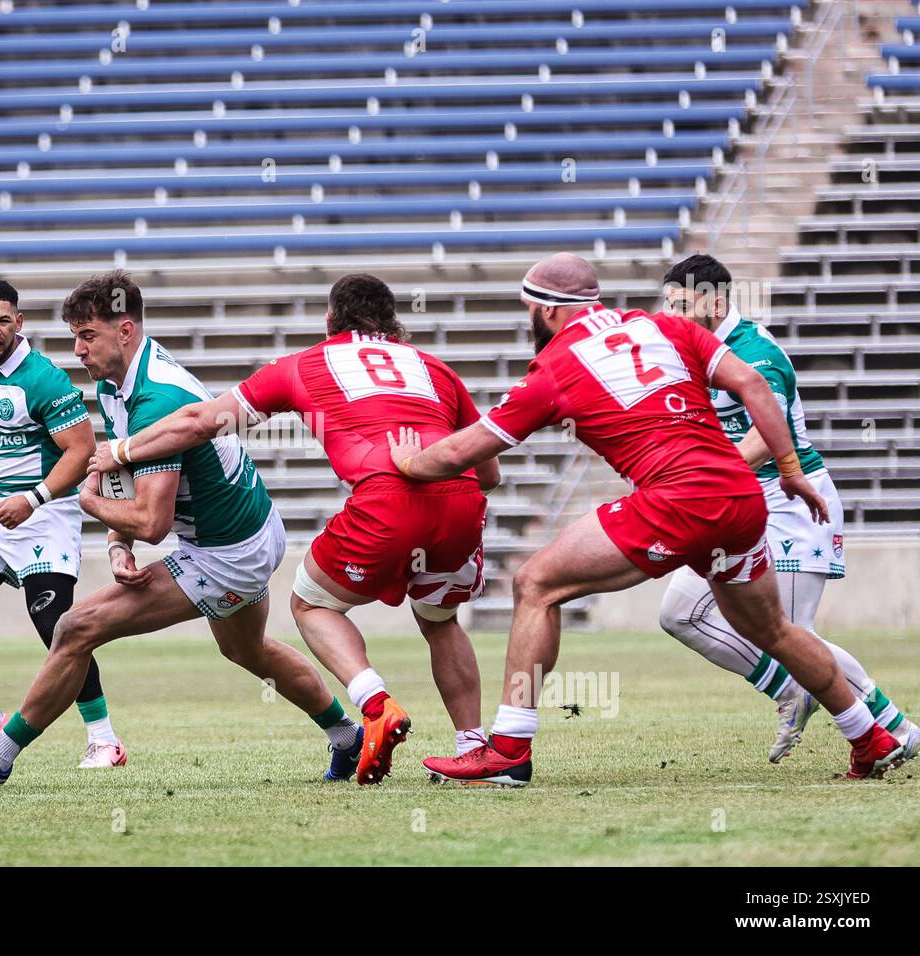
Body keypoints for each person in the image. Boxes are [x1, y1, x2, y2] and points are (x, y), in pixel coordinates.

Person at [386, 252, 904, 786]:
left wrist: (405, 461)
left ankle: (510, 750)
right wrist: (790, 469)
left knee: (535, 584)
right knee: (774, 630)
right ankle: (871, 738)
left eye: (526, 309)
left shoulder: (556, 368)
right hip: (742, 496)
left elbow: (458, 455)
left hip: (678, 499)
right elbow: (752, 385)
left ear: (545, 311)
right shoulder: (661, 327)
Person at [0, 270, 361, 785]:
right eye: (74, 337)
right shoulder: (119, 383)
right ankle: (348, 737)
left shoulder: (155, 397)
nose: (78, 350)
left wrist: (89, 503)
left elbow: (152, 521)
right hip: (248, 529)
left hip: (225, 550)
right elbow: (130, 481)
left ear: (125, 331)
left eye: (87, 336)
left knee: (74, 627)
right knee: (247, 649)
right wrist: (117, 543)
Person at [81, 272, 497, 784]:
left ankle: (375, 703)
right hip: (460, 500)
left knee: (312, 603)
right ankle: (475, 748)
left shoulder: (305, 364)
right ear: (395, 326)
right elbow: (490, 471)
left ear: (329, 322)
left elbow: (201, 423)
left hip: (385, 498)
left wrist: (120, 450)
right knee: (440, 623)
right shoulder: (434, 368)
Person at [657, 254, 917, 763]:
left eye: (681, 305)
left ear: (715, 300)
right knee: (679, 613)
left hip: (790, 502)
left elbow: (761, 438)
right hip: (736, 502)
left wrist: (701, 480)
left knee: (794, 636)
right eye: (666, 305)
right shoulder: (688, 350)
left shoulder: (755, 352)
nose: (672, 316)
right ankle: (790, 689)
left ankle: (898, 731)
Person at [0, 278, 126, 768]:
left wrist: (34, 498)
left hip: (46, 516)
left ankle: (104, 740)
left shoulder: (44, 379)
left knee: (57, 628)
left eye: (3, 320)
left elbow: (81, 452)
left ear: (19, 323)